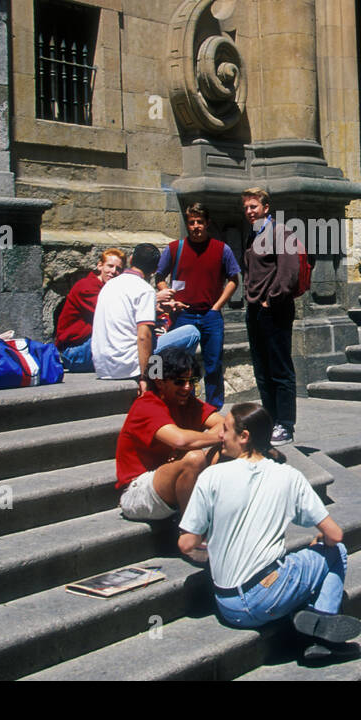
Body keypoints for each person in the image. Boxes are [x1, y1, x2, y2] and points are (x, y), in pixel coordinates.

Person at [178, 403, 361, 664]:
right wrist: (321, 541)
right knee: (336, 552)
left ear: (244, 437)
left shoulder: (211, 476)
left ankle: (306, 613)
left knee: (288, 566)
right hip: (265, 596)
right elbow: (335, 535)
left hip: (227, 605)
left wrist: (217, 552)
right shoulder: (288, 476)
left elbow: (187, 544)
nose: (219, 435)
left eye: (226, 429)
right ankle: (323, 630)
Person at [115, 347, 223, 521]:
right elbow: (180, 440)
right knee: (194, 457)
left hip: (167, 478)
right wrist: (212, 438)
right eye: (179, 382)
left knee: (225, 450)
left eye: (191, 381)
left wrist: (194, 444)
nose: (187, 388)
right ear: (160, 382)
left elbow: (224, 424)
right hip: (137, 491)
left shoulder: (188, 403)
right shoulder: (146, 405)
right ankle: (191, 531)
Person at [156, 203, 241, 408]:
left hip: (210, 315)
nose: (196, 226)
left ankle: (213, 407)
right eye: (192, 222)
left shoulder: (222, 249)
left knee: (213, 363)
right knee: (181, 364)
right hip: (183, 314)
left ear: (207, 223)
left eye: (199, 222)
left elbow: (233, 279)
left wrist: (217, 306)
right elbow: (160, 276)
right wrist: (170, 298)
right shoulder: (175, 248)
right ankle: (186, 403)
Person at [91, 243, 200, 395]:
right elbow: (144, 336)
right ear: (155, 270)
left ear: (130, 259)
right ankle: (172, 380)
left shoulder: (109, 285)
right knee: (192, 332)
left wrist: (156, 311)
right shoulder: (144, 289)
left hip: (103, 367)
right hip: (129, 366)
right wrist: (146, 377)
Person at [242, 187, 300, 446]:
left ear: (266, 208)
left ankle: (285, 425)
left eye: (253, 206)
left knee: (279, 369)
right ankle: (270, 420)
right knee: (262, 369)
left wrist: (270, 300)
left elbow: (289, 272)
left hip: (273, 310)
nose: (249, 212)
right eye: (245, 208)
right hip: (255, 309)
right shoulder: (253, 235)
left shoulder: (281, 232)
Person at [56, 248, 125, 372]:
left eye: (118, 269)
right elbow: (114, 315)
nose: (114, 271)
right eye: (110, 266)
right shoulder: (87, 287)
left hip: (84, 347)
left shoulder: (109, 288)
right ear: (100, 266)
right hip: (74, 352)